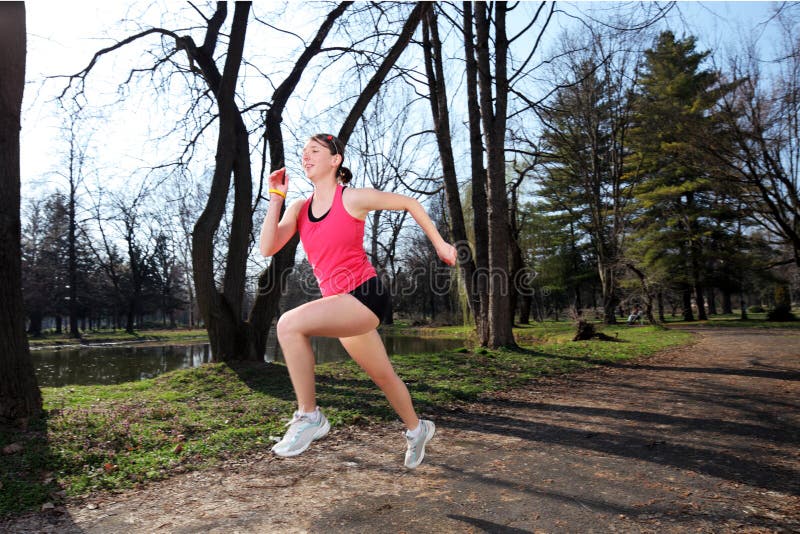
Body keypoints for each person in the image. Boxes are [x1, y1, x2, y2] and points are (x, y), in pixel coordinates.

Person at [259, 133, 457, 469]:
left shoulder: (353, 199)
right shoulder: (299, 208)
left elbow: (409, 203)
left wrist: (439, 243)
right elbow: (267, 248)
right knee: (383, 376)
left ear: (335, 160)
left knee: (289, 324)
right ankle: (417, 428)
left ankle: (309, 416)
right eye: (304, 152)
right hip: (341, 305)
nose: (306, 156)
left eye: (315, 151)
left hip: (366, 296)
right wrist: (276, 198)